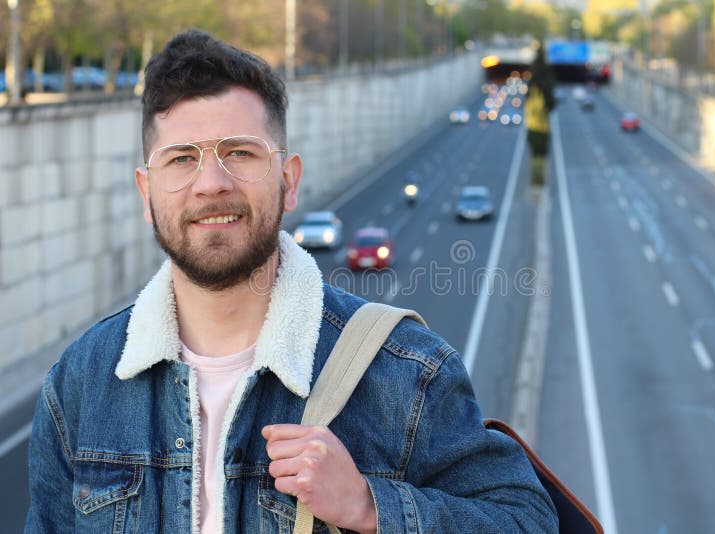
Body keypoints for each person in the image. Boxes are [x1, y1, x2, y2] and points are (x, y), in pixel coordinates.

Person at [25, 30, 557, 533]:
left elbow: (528, 520)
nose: (211, 183)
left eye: (240, 153)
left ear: (289, 180)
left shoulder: (406, 372)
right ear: (146, 193)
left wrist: (370, 506)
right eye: (182, 159)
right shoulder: (79, 384)